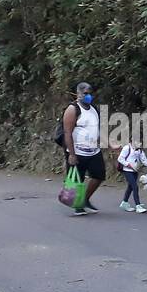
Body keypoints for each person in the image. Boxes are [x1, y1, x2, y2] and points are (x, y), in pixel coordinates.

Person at [62, 82, 108, 215]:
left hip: (93, 150)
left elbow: (98, 129)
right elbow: (67, 132)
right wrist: (71, 154)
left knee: (99, 175)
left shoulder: (93, 109)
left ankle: (85, 199)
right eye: (85, 93)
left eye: (90, 93)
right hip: (78, 151)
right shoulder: (72, 109)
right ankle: (77, 205)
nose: (88, 96)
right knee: (78, 180)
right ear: (78, 94)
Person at [117, 142, 147, 213]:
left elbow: (145, 161)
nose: (140, 143)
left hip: (135, 171)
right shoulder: (127, 148)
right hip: (127, 171)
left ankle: (124, 202)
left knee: (130, 187)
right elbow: (120, 159)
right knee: (135, 187)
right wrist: (128, 164)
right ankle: (138, 205)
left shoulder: (140, 150)